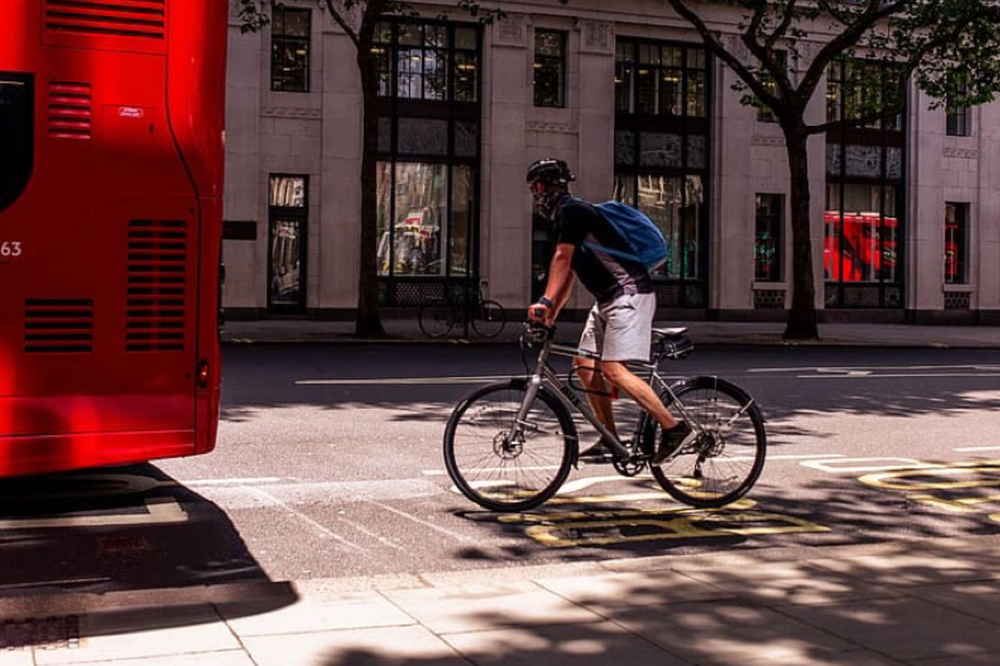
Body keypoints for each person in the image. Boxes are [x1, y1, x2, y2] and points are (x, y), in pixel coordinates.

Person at [525, 157, 691, 464]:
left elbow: (561, 260)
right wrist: (550, 316)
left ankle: (674, 428)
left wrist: (544, 302)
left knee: (613, 369)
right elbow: (569, 277)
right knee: (586, 365)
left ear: (549, 186)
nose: (535, 195)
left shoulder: (573, 211)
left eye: (536, 187)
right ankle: (610, 439)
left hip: (630, 295)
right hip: (607, 300)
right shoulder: (565, 218)